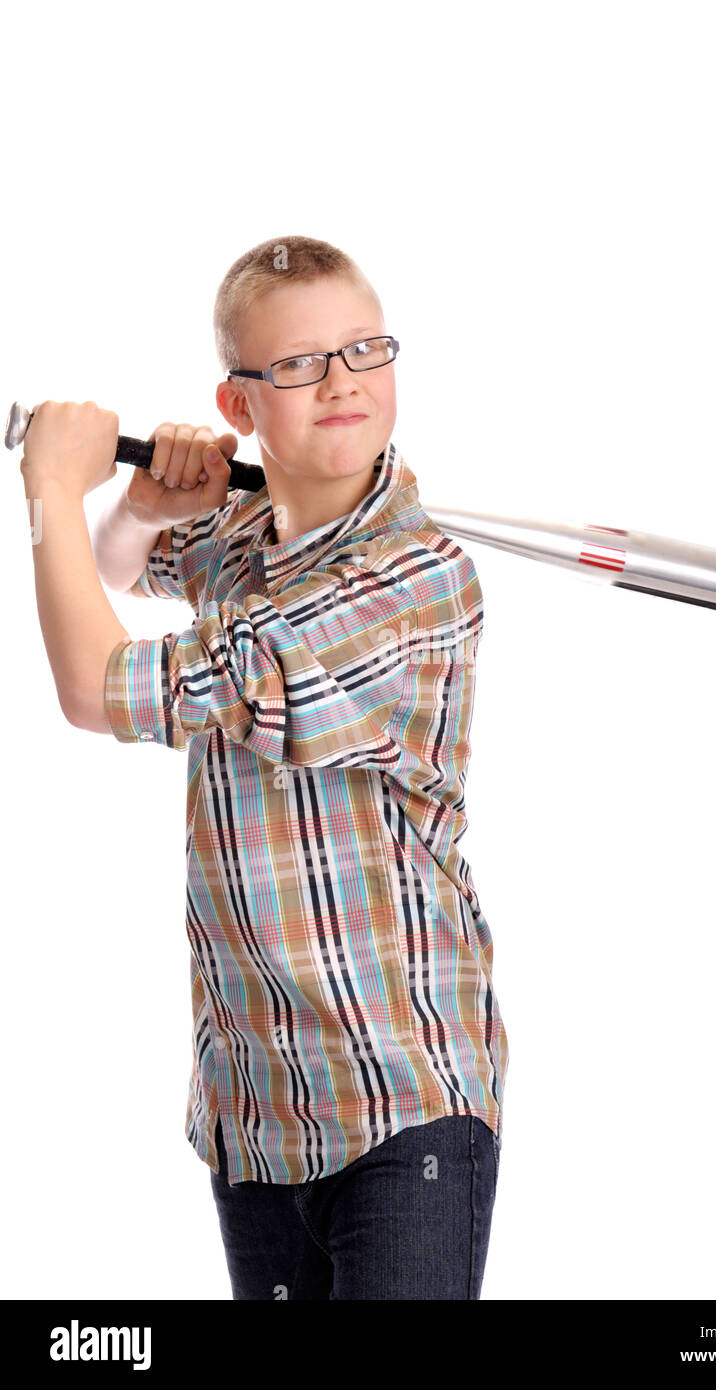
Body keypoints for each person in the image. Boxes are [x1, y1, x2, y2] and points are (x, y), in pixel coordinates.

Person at [22, 234, 508, 1300]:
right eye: (295, 364)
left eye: (362, 350)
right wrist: (141, 506)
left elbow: (95, 686)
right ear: (237, 405)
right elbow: (112, 573)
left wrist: (54, 490)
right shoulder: (246, 544)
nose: (340, 381)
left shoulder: (413, 581)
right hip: (257, 1111)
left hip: (398, 1102)